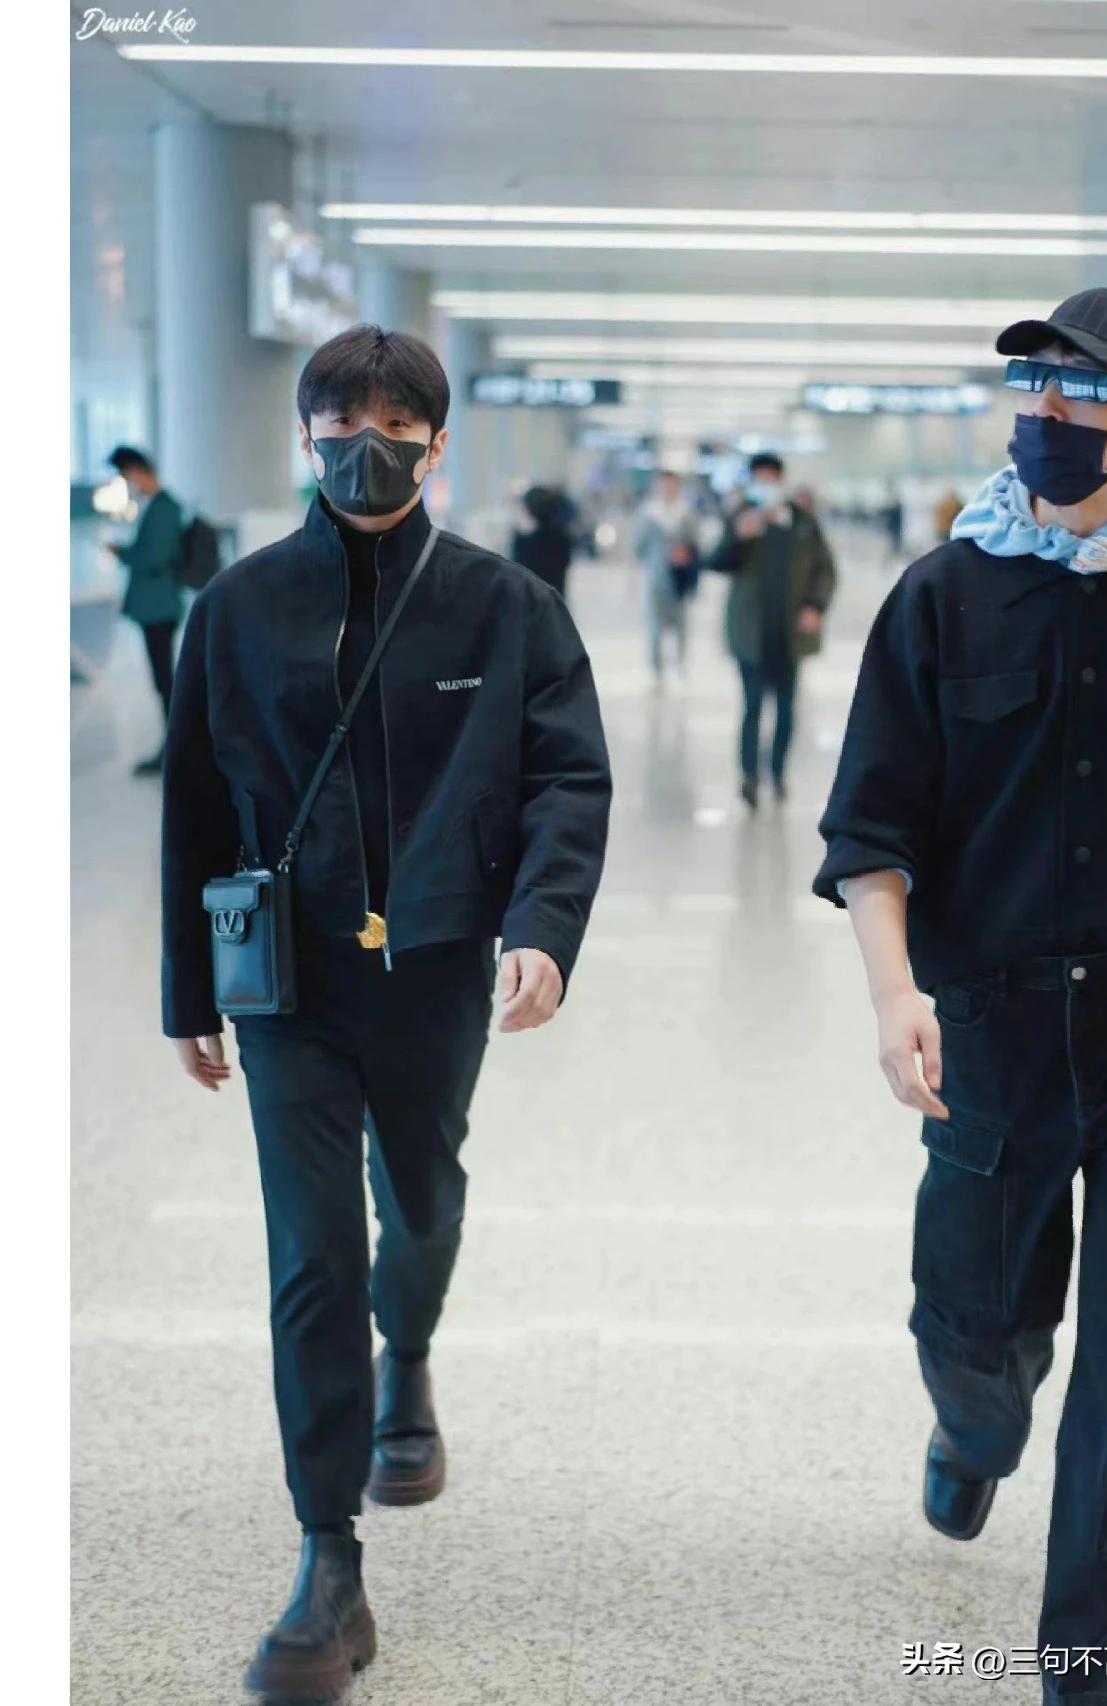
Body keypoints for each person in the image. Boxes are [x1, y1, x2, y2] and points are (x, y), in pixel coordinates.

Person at [160, 324, 612, 1702]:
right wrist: (191, 987)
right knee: (311, 1251)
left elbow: (567, 778)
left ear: (435, 441)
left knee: (417, 1200)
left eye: (395, 423)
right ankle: (326, 1555)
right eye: (340, 421)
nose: (369, 444)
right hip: (291, 982)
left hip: (435, 969)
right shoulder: (233, 610)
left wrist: (541, 927)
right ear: (306, 438)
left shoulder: (507, 606)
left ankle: (407, 1351)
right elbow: (193, 804)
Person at [814, 288, 1107, 1703]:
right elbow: (871, 824)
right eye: (1030, 383)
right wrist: (892, 995)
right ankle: (975, 1430)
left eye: (1080, 393)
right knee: (972, 1323)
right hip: (988, 1026)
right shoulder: (942, 593)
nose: (1043, 411)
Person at [709, 452, 836, 807]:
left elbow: (825, 568)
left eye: (770, 478)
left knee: (785, 708)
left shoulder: (801, 520)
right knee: (751, 707)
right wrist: (739, 537)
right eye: (758, 479)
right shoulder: (740, 518)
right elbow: (716, 562)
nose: (765, 485)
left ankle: (778, 773)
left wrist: (816, 606)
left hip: (789, 633)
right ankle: (749, 777)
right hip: (751, 632)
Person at [106, 445, 186, 775]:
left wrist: (122, 553)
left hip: (159, 606)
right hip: (154, 606)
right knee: (162, 679)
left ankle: (174, 749)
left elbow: (156, 557)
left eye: (127, 476)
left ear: (138, 471)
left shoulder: (165, 508)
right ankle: (172, 746)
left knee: (165, 681)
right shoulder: (154, 506)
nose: (129, 483)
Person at [633, 469, 700, 687]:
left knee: (681, 625)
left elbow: (696, 545)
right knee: (654, 625)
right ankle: (656, 670)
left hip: (679, 577)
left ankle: (679, 666)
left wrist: (686, 554)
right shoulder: (648, 513)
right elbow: (639, 546)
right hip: (656, 577)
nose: (668, 489)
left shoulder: (687, 513)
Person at [510, 483, 573, 598]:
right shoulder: (562, 538)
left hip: (531, 604)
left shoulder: (523, 542)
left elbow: (515, 571)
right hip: (556, 602)